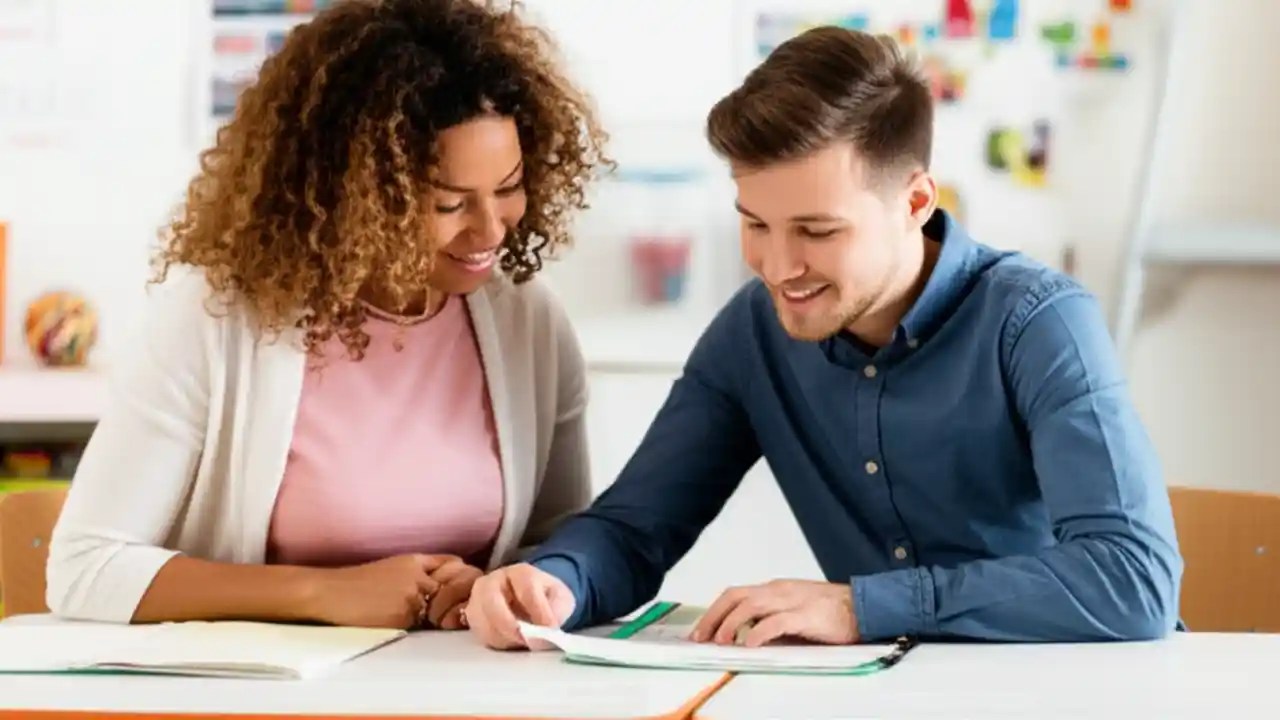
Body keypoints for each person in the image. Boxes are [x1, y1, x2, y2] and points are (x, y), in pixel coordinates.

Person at [466, 26, 1183, 649]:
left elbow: (1132, 578)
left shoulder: (1038, 322)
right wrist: (554, 582)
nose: (779, 268)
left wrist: (860, 606)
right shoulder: (753, 333)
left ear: (914, 202)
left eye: (817, 231)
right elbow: (632, 530)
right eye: (755, 224)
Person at [46, 0, 608, 631]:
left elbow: (560, 544)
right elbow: (86, 568)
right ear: (357, 196)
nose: (489, 229)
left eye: (508, 188)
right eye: (450, 204)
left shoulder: (528, 322)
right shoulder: (215, 320)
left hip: (459, 687)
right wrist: (321, 593)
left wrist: (500, 588)